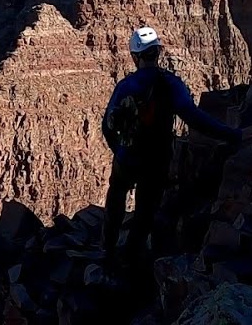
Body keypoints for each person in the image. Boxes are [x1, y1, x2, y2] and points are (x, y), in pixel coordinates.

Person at [100, 26, 241, 263]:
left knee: (116, 196)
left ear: (135, 56)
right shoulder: (171, 84)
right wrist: (231, 134)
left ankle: (107, 249)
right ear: (158, 53)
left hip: (127, 157)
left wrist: (121, 152)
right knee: (145, 212)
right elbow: (195, 118)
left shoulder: (126, 86)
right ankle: (131, 261)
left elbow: (107, 126)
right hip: (156, 160)